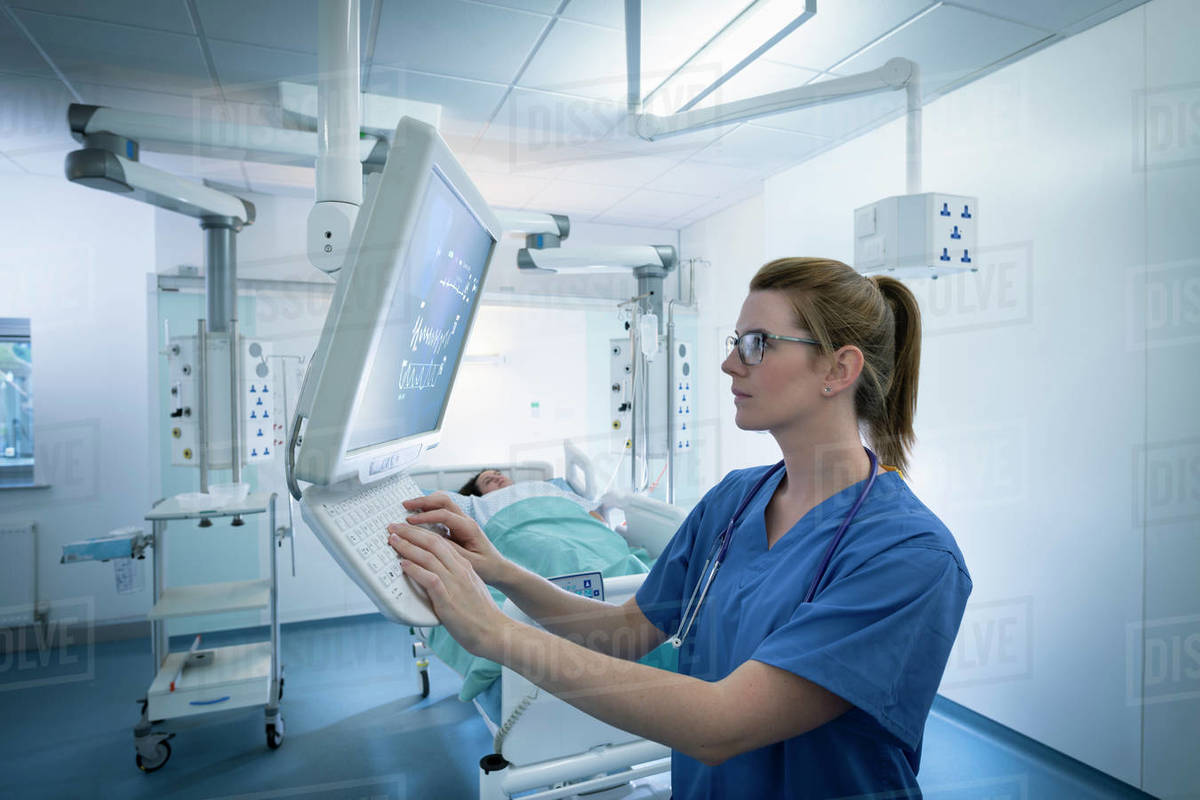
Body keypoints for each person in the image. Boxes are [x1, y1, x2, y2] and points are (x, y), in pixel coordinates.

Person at [387, 257, 972, 798]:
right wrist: (499, 571)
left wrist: (494, 633)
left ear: (839, 368)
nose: (728, 362)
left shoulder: (909, 555)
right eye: (734, 342)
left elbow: (721, 724)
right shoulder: (736, 501)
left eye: (757, 344)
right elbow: (625, 629)